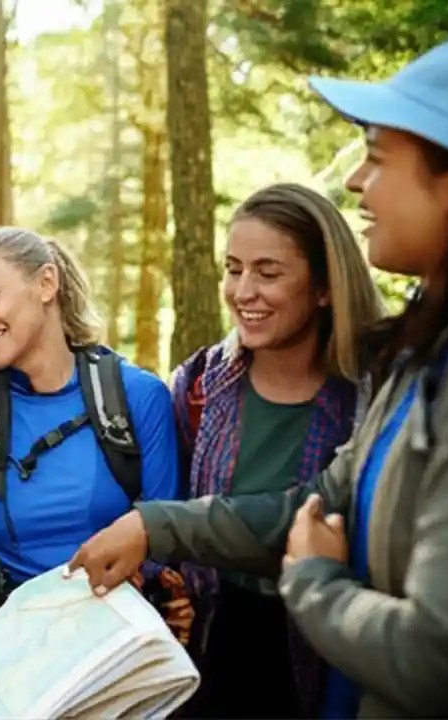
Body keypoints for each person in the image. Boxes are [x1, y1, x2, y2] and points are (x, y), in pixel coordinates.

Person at [68, 35, 448, 718]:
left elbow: (446, 661)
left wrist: (313, 580)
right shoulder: (433, 352)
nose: (357, 180)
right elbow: (315, 505)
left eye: (379, 157)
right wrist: (153, 526)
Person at [166, 183, 384, 718]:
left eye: (268, 273)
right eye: (233, 269)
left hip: (327, 649)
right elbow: (175, 518)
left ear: (324, 287)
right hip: (213, 648)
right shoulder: (200, 385)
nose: (243, 291)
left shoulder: (373, 394)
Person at [0, 227, 180, 646]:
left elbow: (165, 530)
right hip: (12, 642)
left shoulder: (137, 398)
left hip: (121, 639)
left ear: (46, 283)